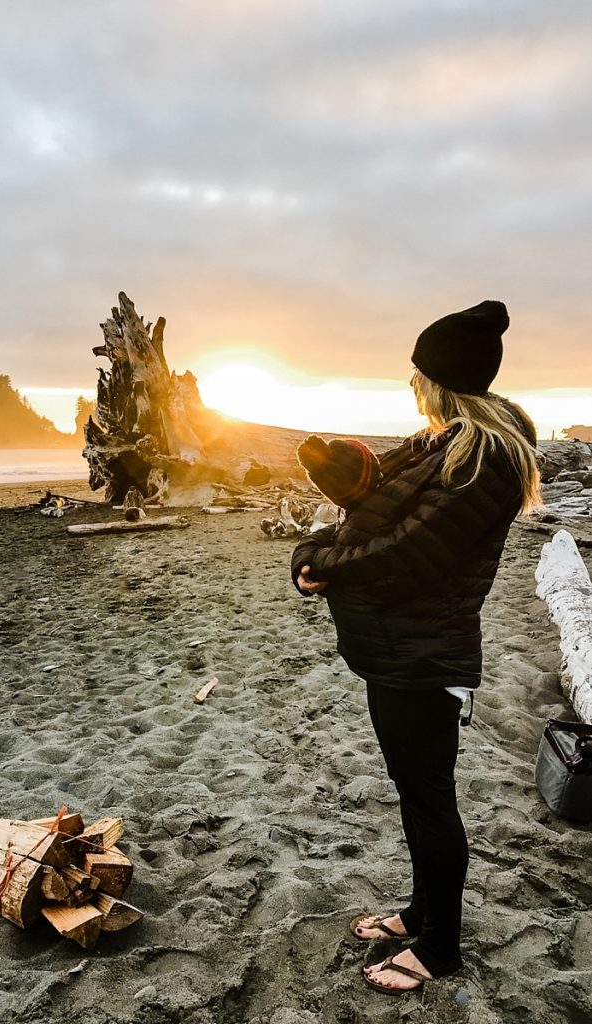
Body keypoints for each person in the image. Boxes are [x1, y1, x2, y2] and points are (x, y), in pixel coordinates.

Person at [290, 300, 541, 995]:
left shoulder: (482, 458)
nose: (409, 384)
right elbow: (365, 509)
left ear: (440, 378)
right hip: (397, 649)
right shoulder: (441, 444)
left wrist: (325, 566)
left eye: (417, 372)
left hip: (425, 656)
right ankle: (419, 912)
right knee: (414, 792)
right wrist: (312, 553)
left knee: (427, 798)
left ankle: (440, 947)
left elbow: (410, 556)